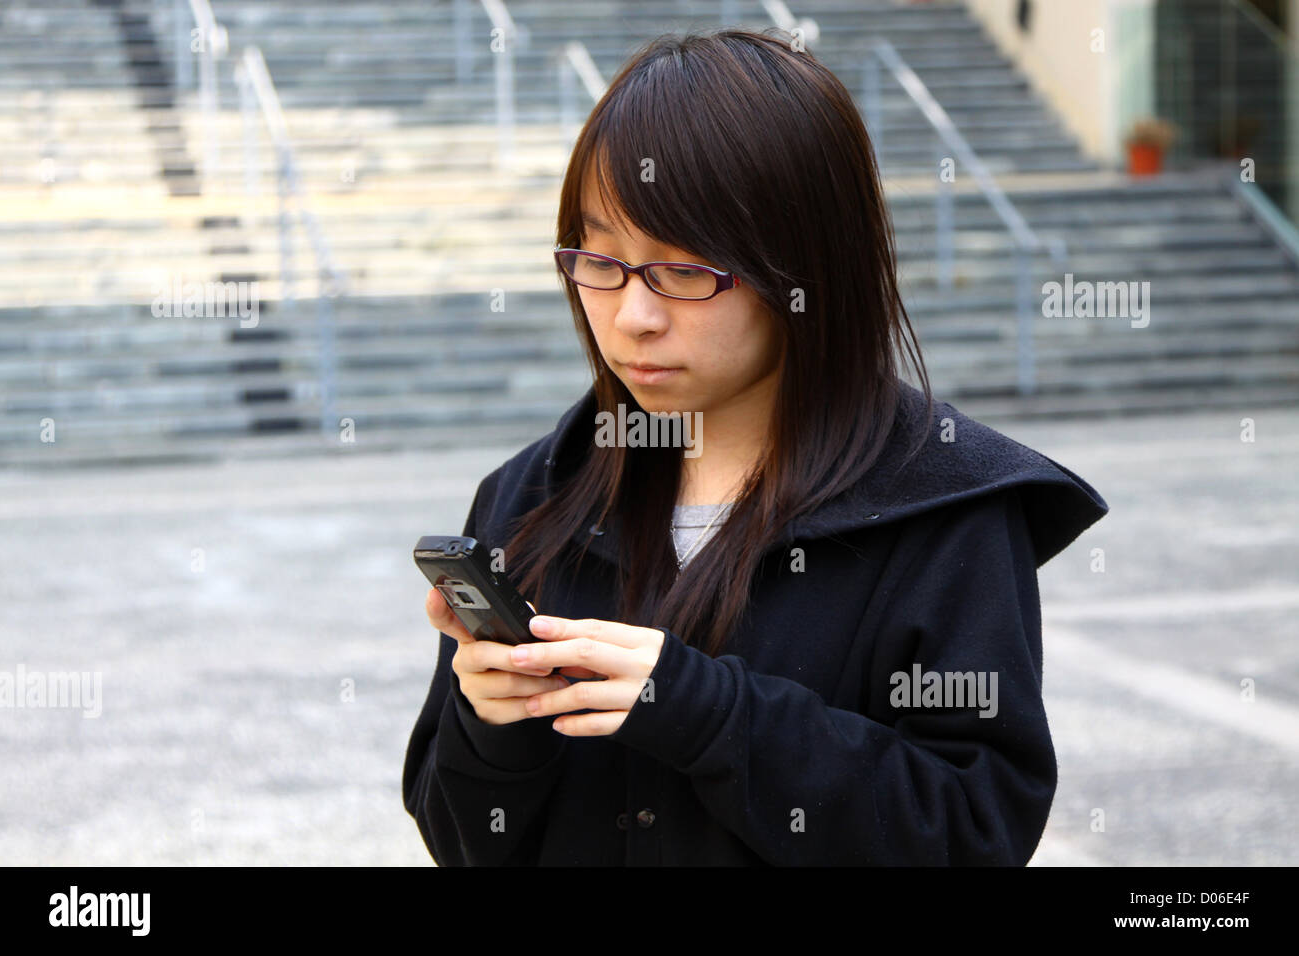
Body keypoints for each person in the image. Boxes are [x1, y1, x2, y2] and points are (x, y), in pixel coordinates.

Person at [402, 28, 1108, 865]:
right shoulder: (534, 495)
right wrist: (494, 730)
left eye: (686, 270)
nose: (634, 316)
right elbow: (459, 840)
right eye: (601, 260)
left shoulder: (946, 511)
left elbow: (970, 830)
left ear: (805, 271)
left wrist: (708, 714)